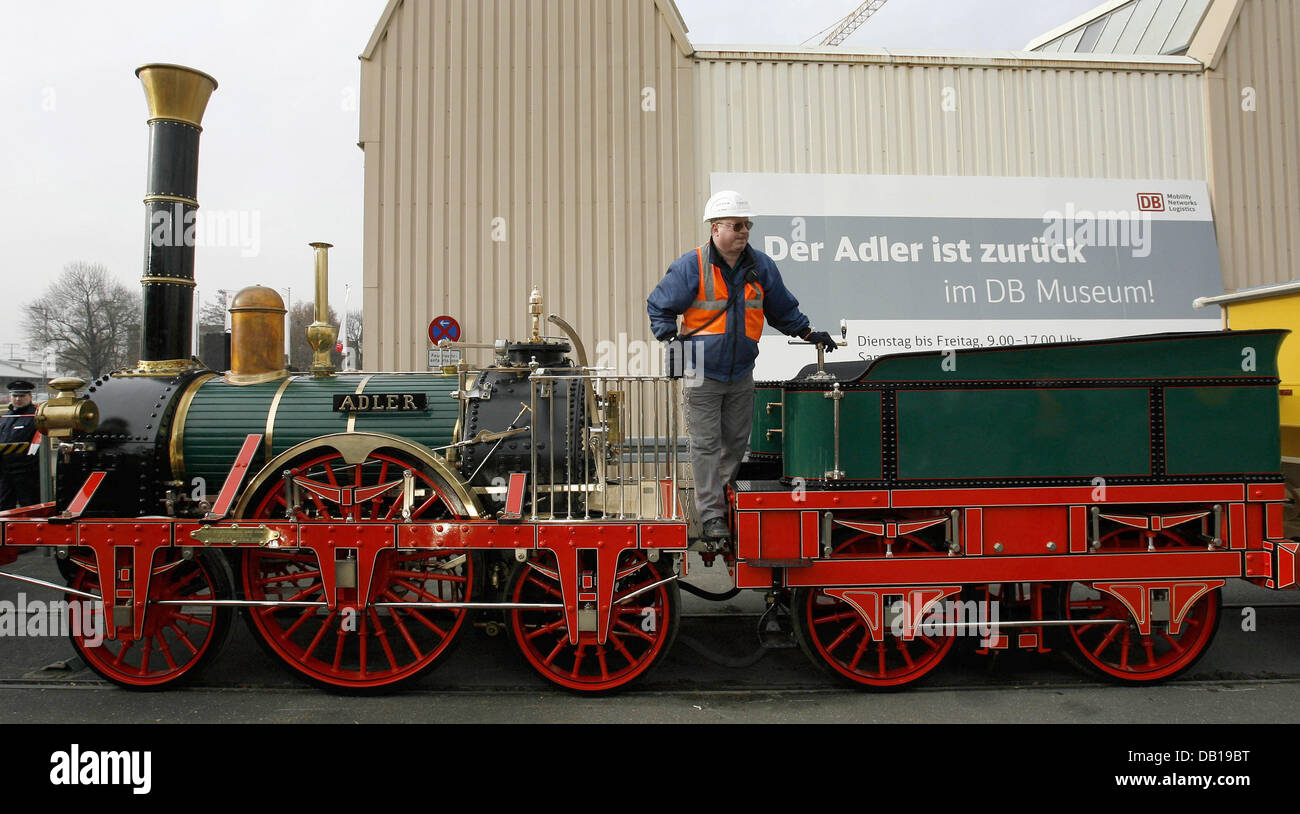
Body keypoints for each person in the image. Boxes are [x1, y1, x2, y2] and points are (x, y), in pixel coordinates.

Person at [647, 191, 836, 542]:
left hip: (741, 372)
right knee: (704, 445)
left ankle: (719, 505)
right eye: (736, 225)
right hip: (700, 370)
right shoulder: (692, 266)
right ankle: (711, 517)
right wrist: (670, 340)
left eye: (746, 224)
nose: (743, 231)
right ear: (715, 228)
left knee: (734, 443)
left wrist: (808, 332)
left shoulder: (761, 266)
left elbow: (782, 310)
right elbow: (659, 305)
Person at [0, 380, 39, 510]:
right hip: (5, 472)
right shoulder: (6, 417)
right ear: (10, 396)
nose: (18, 399)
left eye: (22, 396)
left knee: (29, 507)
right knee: (4, 507)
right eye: (15, 396)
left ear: (30, 396)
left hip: (27, 473)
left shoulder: (36, 416)